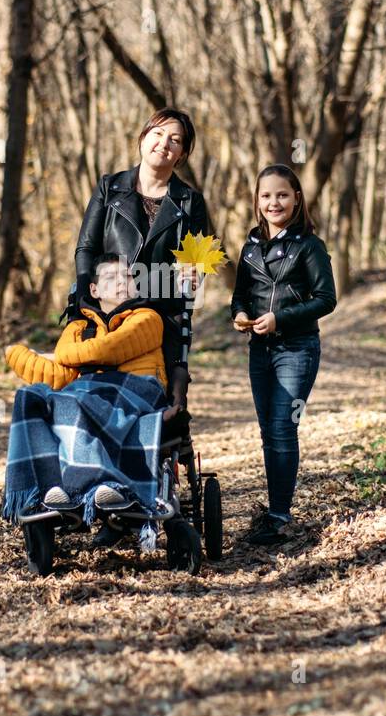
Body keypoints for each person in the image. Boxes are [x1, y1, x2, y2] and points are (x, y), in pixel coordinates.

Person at [2, 255, 181, 546]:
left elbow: (109, 350)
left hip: (137, 390)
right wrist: (16, 354)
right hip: (88, 392)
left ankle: (100, 484)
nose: (122, 284)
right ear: (95, 290)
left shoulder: (147, 318)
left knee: (81, 397)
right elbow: (58, 375)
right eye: (112, 278)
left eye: (127, 277)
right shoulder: (78, 329)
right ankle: (52, 489)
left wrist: (62, 354)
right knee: (39, 398)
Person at [72, 108, 213, 417]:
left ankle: (161, 425)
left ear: (182, 154)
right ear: (143, 138)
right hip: (108, 305)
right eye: (158, 134)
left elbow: (200, 261)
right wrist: (86, 298)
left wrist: (194, 275)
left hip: (162, 309)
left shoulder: (190, 202)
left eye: (175, 140)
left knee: (158, 377)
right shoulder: (110, 188)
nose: (164, 143)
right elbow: (86, 248)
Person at [231, 164, 337, 545]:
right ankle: (274, 512)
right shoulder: (249, 249)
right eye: (266, 196)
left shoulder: (310, 246)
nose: (273, 202)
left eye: (281, 195)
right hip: (259, 351)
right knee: (267, 431)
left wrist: (280, 319)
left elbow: (326, 299)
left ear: (296, 198)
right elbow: (240, 295)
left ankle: (278, 517)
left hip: (298, 350)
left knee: (283, 427)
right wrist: (240, 315)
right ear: (257, 202)